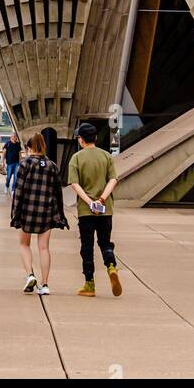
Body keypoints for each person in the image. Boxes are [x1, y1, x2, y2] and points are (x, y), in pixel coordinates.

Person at [68, 122, 122, 297]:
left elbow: (74, 184)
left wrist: (90, 202)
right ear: (96, 138)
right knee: (105, 242)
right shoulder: (106, 157)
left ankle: (89, 284)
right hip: (105, 210)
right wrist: (101, 199)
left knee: (87, 246)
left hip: (86, 211)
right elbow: (113, 180)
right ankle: (111, 266)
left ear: (81, 139)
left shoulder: (76, 158)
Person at [9, 132, 67, 295]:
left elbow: (18, 190)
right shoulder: (52, 166)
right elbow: (58, 193)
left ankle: (30, 275)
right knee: (44, 248)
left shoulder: (25, 164)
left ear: (29, 148)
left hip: (27, 210)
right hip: (46, 212)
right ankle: (45, 283)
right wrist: (60, 215)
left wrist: (15, 213)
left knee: (24, 244)